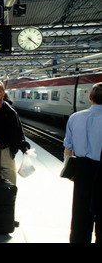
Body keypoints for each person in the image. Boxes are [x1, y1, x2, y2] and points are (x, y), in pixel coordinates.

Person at [63, 82, 102, 243]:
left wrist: (70, 171)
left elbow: (68, 149)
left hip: (81, 169)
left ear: (89, 97)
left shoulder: (75, 117)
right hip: (101, 170)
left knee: (80, 214)